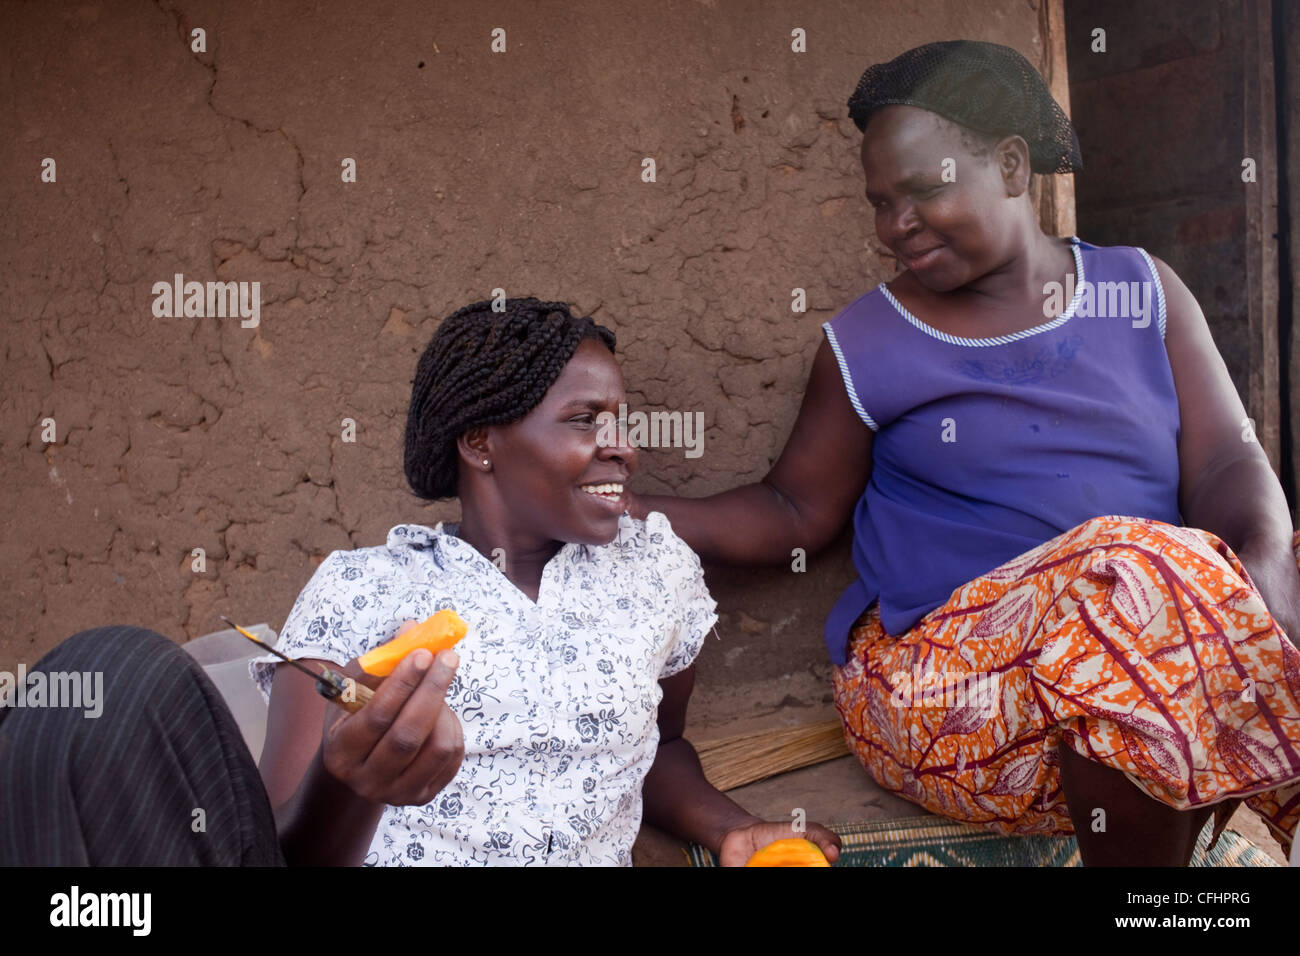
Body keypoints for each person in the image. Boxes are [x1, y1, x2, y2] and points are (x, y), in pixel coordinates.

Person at [625, 40, 1300, 866]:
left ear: (1012, 167)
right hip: (946, 694)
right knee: (1127, 564)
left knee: (1174, 575)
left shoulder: (1142, 291)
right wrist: (631, 512)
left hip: (1143, 684)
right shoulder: (866, 341)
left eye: (922, 190)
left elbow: (1230, 467)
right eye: (880, 202)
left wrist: (1265, 577)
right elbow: (793, 511)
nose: (895, 225)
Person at [0, 297, 841, 867]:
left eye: (619, 420)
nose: (621, 444)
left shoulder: (654, 571)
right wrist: (351, 783)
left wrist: (735, 832)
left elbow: (655, 747)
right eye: (586, 421)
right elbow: (279, 850)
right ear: (481, 444)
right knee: (102, 685)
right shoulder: (364, 590)